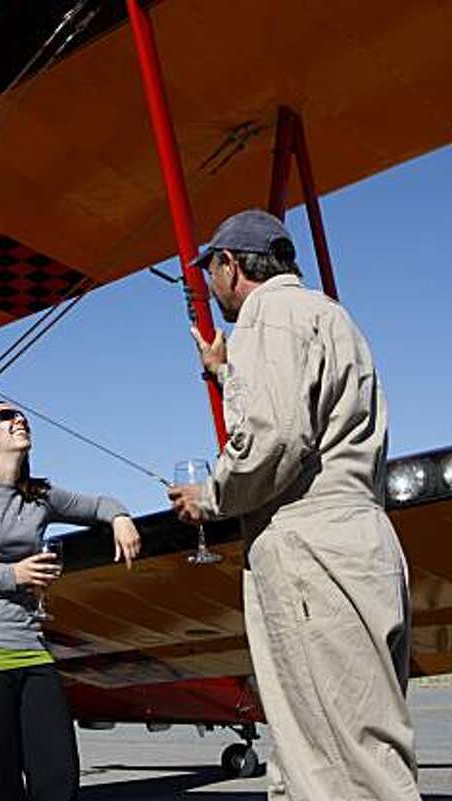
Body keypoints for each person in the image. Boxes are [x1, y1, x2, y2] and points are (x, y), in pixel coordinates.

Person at [169, 209, 419, 800]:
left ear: (230, 265)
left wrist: (210, 498)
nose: (210, 286)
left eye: (211, 271)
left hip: (310, 546)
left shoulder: (266, 316)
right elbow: (302, 412)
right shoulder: (327, 314)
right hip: (361, 535)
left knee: (335, 760)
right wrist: (227, 373)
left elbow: (275, 438)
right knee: (359, 739)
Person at [0, 401, 141, 801]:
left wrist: (120, 517)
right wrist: (12, 575)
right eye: (4, 416)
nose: (18, 419)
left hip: (30, 650)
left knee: (58, 777)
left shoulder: (40, 496)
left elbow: (99, 505)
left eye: (21, 415)